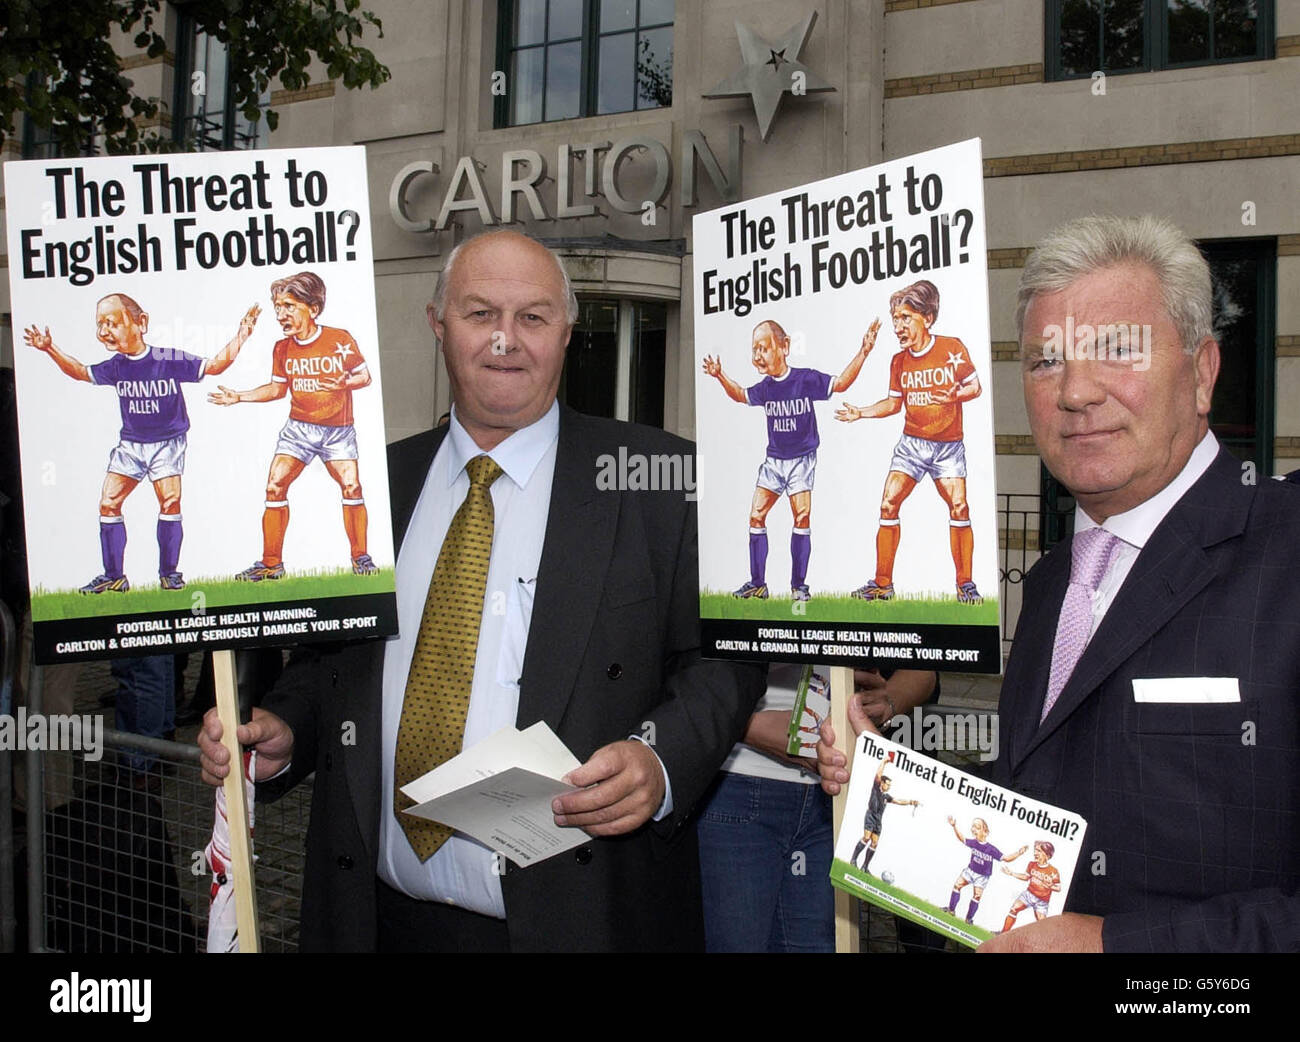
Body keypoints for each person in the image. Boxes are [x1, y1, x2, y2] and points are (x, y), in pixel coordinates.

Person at [199, 229, 764, 952]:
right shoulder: (373, 484)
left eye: (532, 317)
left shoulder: (657, 479)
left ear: (567, 332)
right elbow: (333, 666)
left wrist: (659, 758)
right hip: (378, 922)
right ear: (438, 324)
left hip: (582, 920)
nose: (507, 339)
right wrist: (287, 729)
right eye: (479, 314)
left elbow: (722, 659)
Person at [820, 214, 1300, 952]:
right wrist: (888, 786)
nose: (1075, 391)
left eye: (1116, 350)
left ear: (1202, 372)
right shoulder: (1048, 585)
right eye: (1046, 361)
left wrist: (1115, 951)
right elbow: (1047, 803)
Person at [24, 293, 258, 591]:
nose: (104, 331)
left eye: (112, 322)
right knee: (109, 504)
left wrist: (241, 336)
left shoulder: (167, 359)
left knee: (170, 501)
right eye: (100, 324)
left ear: (141, 322)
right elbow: (81, 372)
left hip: (167, 444)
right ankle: (114, 577)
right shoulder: (117, 366)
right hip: (131, 446)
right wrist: (50, 349)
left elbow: (213, 366)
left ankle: (169, 573)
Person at [696, 666, 935, 952]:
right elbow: (674, 672)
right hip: (737, 780)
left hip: (834, 794)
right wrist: (745, 725)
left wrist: (888, 701)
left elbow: (924, 667)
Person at [209, 272, 377, 579]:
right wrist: (239, 397)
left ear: (312, 308)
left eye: (288, 305)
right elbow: (276, 390)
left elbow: (364, 377)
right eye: (277, 306)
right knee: (275, 485)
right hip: (298, 430)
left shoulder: (340, 338)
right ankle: (271, 564)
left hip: (337, 431)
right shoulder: (282, 348)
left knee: (352, 486)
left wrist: (344, 382)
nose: (280, 314)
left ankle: (361, 558)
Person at [702, 318, 877, 600]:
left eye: (764, 348)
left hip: (801, 460)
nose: (757, 355)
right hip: (774, 462)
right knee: (756, 515)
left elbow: (841, 383)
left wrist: (864, 351)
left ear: (784, 347)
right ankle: (758, 583)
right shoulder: (766, 388)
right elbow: (739, 395)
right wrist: (720, 375)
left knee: (802, 515)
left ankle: (799, 587)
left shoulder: (805, 379)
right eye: (754, 349)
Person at [835, 280, 983, 604]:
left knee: (959, 507)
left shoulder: (951, 349)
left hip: (947, 447)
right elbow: (893, 405)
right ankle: (882, 584)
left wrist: (955, 393)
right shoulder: (899, 362)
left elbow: (975, 387)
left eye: (905, 318)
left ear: (927, 318)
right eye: (895, 319)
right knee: (888, 502)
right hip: (912, 445)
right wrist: (860, 412)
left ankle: (965, 585)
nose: (898, 327)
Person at [944, 816, 1025, 925]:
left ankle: (968, 919)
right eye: (973, 827)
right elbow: (962, 838)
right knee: (957, 885)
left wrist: (1019, 853)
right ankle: (951, 910)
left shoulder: (991, 849)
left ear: (985, 832)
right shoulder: (973, 842)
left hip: (982, 876)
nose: (973, 829)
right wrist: (954, 826)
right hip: (970, 870)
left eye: (977, 827)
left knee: (977, 895)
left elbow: (1006, 858)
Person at [851, 752, 921, 873]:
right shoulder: (876, 789)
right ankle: (853, 860)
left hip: (878, 820)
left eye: (889, 785)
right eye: (887, 784)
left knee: (874, 843)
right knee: (866, 838)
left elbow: (898, 801)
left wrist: (911, 802)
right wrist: (884, 761)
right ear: (882, 784)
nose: (888, 787)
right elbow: (878, 775)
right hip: (871, 816)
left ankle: (865, 867)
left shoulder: (886, 796)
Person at [1000, 840, 1060, 932]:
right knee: (1013, 909)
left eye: (1039, 851)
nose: (1035, 853)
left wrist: (1050, 885)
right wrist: (1012, 873)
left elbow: (1058, 888)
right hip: (1028, 894)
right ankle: (1002, 934)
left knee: (1042, 924)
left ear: (1047, 855)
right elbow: (1026, 877)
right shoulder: (1032, 864)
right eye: (1035, 850)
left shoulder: (1053, 871)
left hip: (1042, 901)